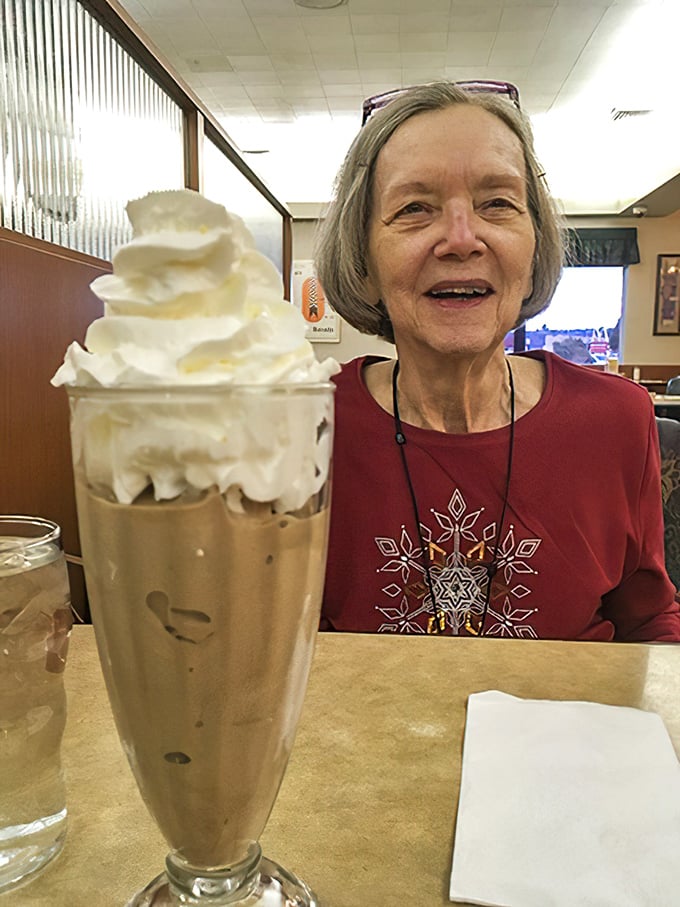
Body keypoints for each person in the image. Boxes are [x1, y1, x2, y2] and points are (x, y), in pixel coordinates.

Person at [314, 80, 680, 642]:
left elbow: (648, 620)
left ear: (533, 252)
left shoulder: (617, 419)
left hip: (573, 727)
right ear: (361, 260)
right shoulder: (302, 423)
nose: (462, 239)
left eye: (497, 204)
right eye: (415, 208)